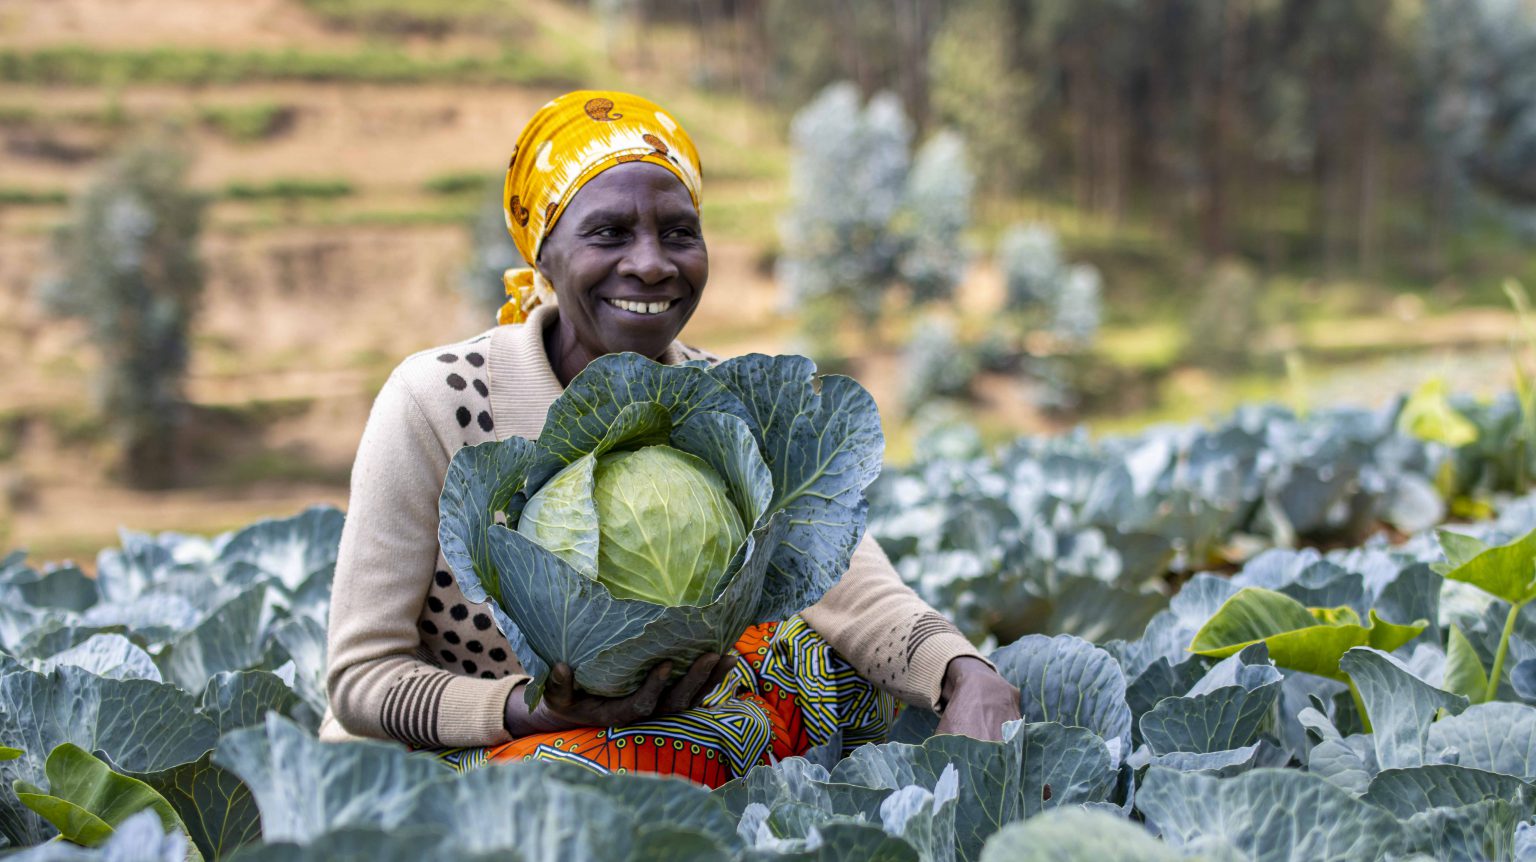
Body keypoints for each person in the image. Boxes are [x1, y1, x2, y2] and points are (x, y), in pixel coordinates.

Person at [321, 90, 1020, 785]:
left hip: (663, 731)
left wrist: (963, 674)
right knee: (618, 769)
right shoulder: (436, 401)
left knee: (838, 667)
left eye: (679, 232)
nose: (652, 263)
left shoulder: (724, 405)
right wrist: (528, 710)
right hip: (462, 760)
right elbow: (360, 677)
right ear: (544, 252)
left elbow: (857, 592)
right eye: (608, 233)